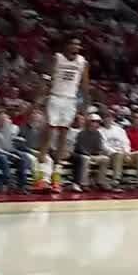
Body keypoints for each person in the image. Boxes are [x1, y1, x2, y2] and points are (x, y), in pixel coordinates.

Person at [41, 38, 88, 192]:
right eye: (73, 43)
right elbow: (47, 80)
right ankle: (41, 177)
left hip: (70, 100)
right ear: (66, 45)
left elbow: (85, 86)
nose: (76, 46)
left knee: (62, 138)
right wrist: (39, 99)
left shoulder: (82, 62)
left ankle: (56, 178)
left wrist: (84, 107)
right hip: (55, 97)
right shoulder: (57, 58)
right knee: (48, 136)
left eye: (78, 44)